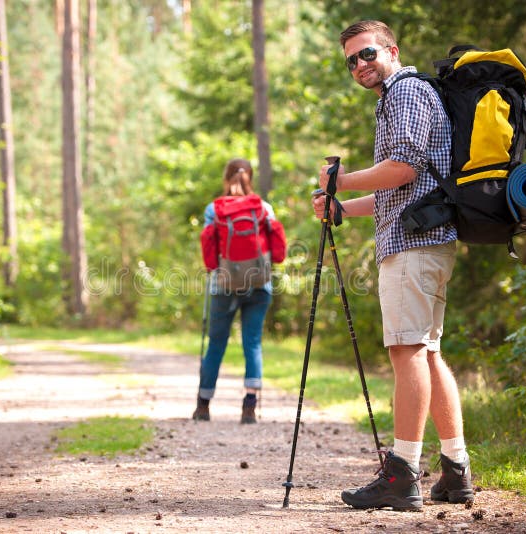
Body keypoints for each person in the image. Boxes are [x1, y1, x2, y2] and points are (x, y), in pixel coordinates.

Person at [312, 20, 473, 511]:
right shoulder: (401, 97)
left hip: (412, 247)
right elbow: (401, 188)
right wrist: (342, 207)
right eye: (351, 60)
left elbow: (402, 168)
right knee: (427, 353)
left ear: (391, 50)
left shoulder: (404, 92)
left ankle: (402, 475)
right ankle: (456, 469)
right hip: (426, 240)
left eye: (367, 54)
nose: (359, 65)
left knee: (407, 352)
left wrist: (341, 180)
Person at [194, 158, 286, 424]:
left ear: (226, 178)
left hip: (224, 284)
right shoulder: (264, 208)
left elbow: (210, 256)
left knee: (216, 343)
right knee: (252, 343)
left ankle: (203, 406)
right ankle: (249, 407)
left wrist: (214, 269)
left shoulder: (214, 209)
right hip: (259, 283)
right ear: (251, 178)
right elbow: (278, 253)